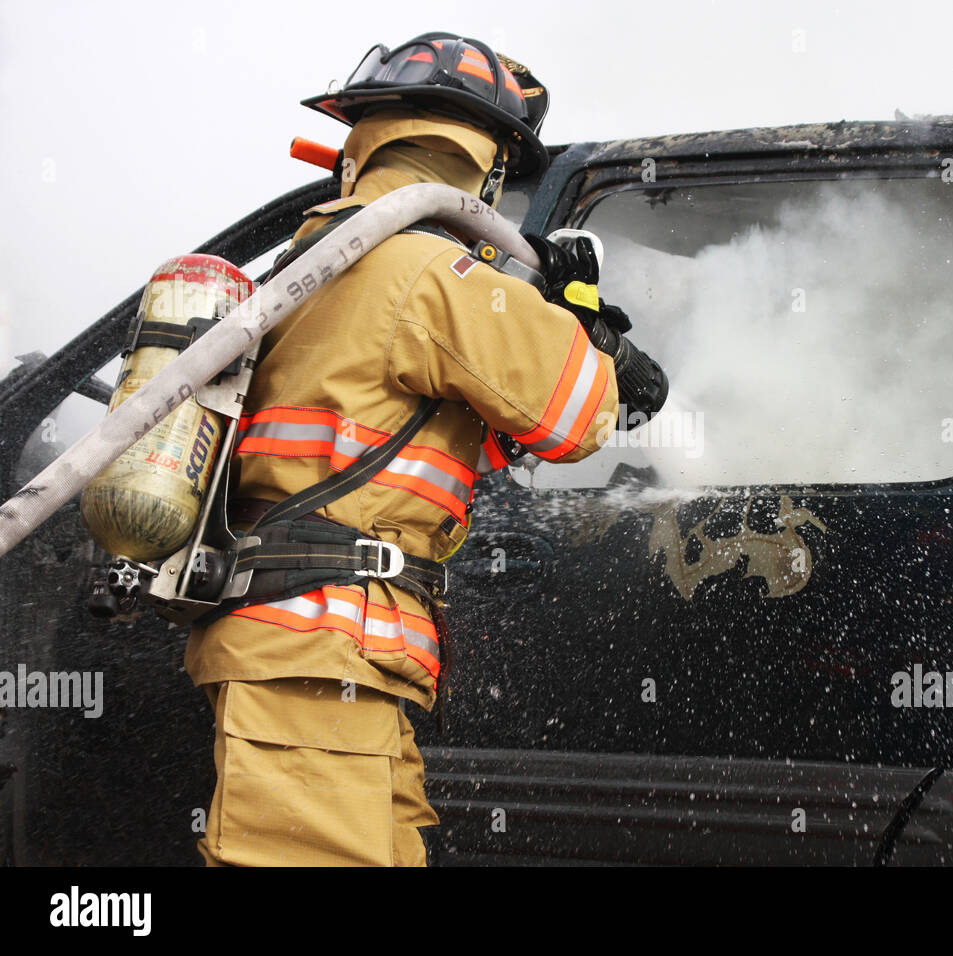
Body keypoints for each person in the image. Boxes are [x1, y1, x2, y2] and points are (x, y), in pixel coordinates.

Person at [184, 32, 667, 866]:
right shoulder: (423, 271)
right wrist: (586, 327)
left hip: (328, 658)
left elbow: (403, 443)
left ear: (361, 142)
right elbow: (580, 418)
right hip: (320, 654)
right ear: (485, 164)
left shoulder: (311, 264)